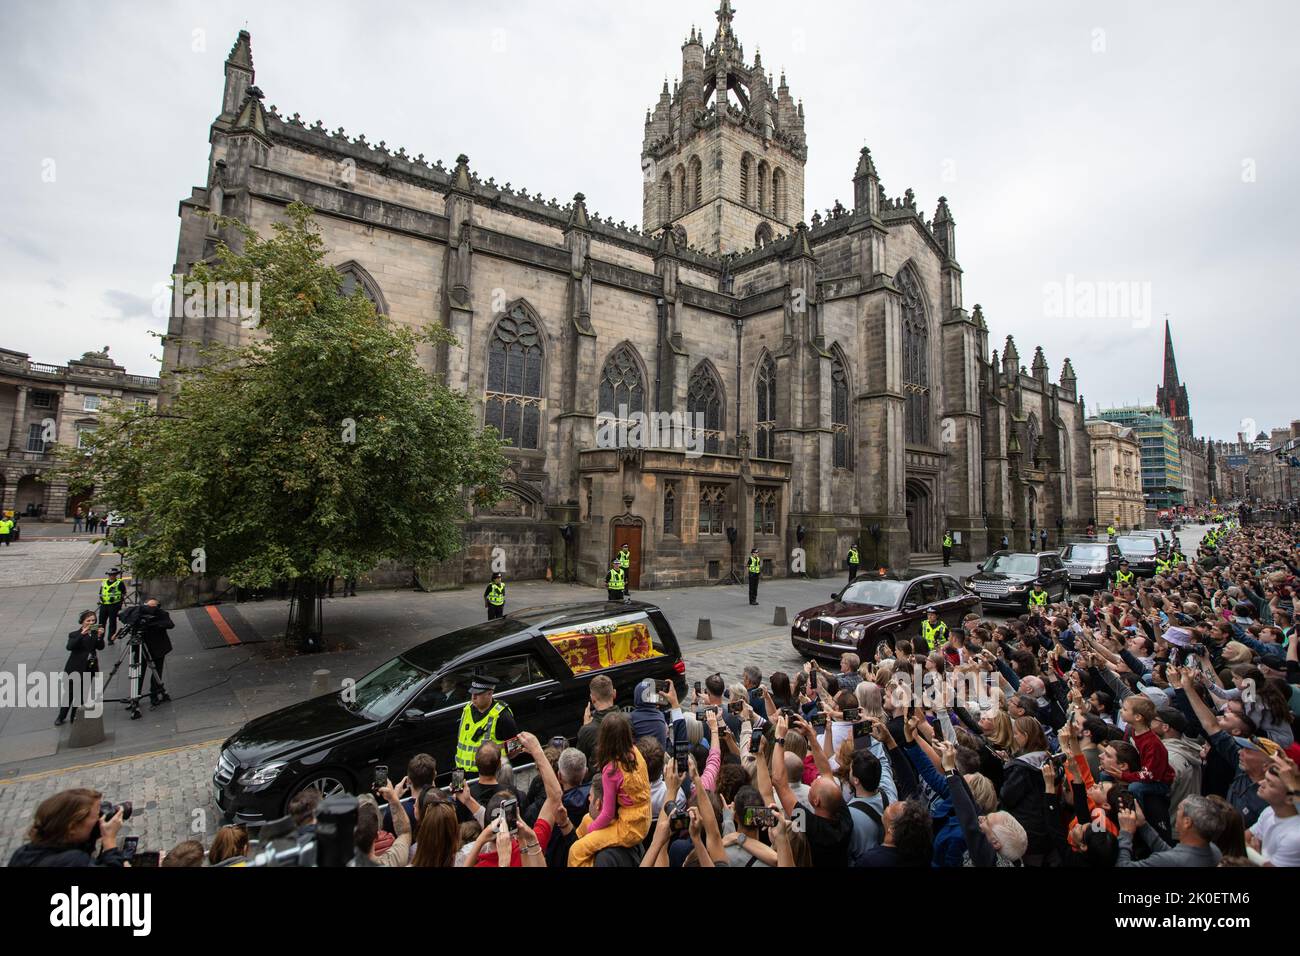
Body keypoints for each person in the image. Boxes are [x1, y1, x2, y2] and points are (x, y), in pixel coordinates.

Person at [569, 711, 651, 866]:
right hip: (644, 818)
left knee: (576, 851)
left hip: (628, 829)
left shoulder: (611, 770)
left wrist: (592, 831)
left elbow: (607, 814)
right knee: (587, 820)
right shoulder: (636, 752)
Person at [8, 788, 127, 867]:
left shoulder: (22, 853)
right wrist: (109, 840)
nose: (101, 819)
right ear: (72, 827)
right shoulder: (74, 860)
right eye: (97, 816)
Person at [1117, 795, 1224, 867]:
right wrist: (1144, 825)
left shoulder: (1166, 861)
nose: (1176, 813)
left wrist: (1126, 832)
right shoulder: (1215, 851)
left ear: (1187, 822)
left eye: (1179, 810)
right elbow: (1171, 853)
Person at [452, 675, 517, 773]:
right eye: (472, 693)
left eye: (478, 694)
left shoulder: (502, 716)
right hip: (460, 772)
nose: (473, 697)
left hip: (487, 775)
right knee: (458, 789)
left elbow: (515, 748)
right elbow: (461, 744)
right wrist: (457, 785)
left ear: (490, 693)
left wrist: (498, 767)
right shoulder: (467, 710)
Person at [55, 611, 104, 726]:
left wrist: (100, 637)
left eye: (93, 620)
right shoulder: (74, 634)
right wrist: (82, 634)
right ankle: (61, 716)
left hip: (89, 667)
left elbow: (100, 647)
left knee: (82, 694)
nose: (91, 623)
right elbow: (70, 646)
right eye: (88, 621)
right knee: (70, 693)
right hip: (75, 668)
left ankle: (75, 717)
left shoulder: (94, 633)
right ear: (82, 622)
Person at [137, 599, 174, 708]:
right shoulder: (139, 614)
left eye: (153, 607)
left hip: (158, 647)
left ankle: (154, 694)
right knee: (139, 673)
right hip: (141, 647)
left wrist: (153, 623)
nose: (149, 609)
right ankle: (136, 695)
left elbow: (170, 624)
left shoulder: (162, 614)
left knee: (157, 672)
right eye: (147, 606)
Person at [98, 568, 125, 645]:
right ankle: (100, 637)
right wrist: (101, 600)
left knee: (112, 622)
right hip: (103, 605)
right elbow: (101, 592)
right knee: (101, 622)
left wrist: (119, 604)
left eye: (112, 575)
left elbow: (123, 593)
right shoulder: (103, 582)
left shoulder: (119, 583)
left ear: (116, 575)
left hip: (113, 605)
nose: (111, 576)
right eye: (109, 575)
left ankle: (111, 639)